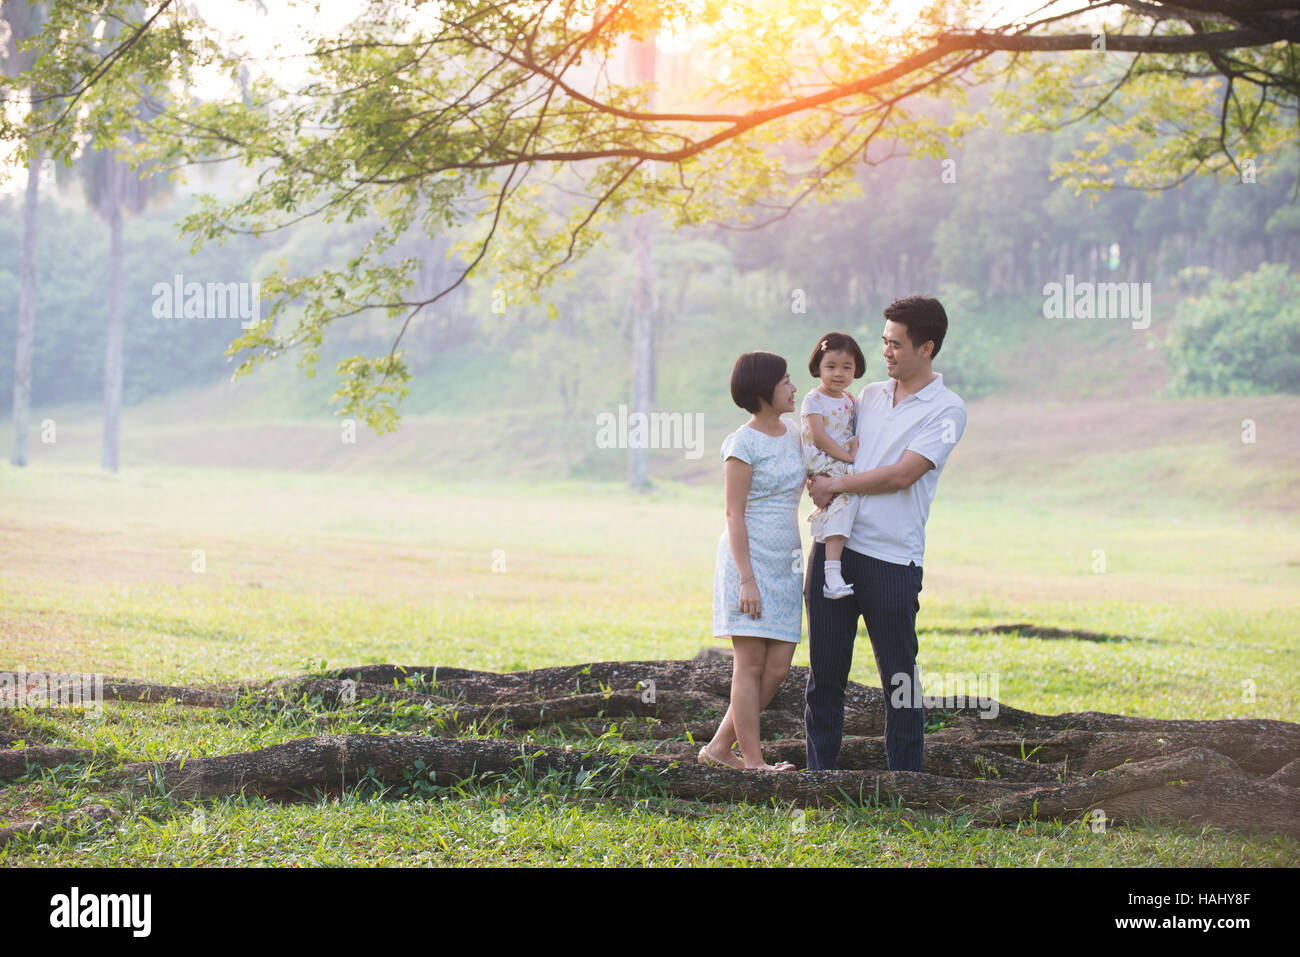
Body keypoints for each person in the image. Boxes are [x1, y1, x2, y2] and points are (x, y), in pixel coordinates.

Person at [804, 296, 967, 772]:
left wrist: (835, 485)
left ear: (927, 348)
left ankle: (906, 781)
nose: (887, 352)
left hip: (893, 560)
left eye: (896, 344)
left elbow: (902, 475)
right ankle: (819, 780)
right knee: (825, 675)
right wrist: (818, 480)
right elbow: (832, 443)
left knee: (900, 679)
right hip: (836, 549)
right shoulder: (869, 396)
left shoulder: (946, 409)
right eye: (884, 342)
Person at [701, 351, 805, 771]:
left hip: (787, 562)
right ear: (764, 389)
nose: (794, 387)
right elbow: (733, 513)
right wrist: (747, 580)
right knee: (751, 665)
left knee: (778, 667)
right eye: (786, 380)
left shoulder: (795, 433)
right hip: (749, 563)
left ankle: (718, 748)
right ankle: (754, 762)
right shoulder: (740, 443)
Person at [800, 332, 866, 600]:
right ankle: (831, 573)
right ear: (818, 367)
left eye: (847, 367)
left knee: (843, 504)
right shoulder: (814, 399)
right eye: (831, 367)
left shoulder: (850, 399)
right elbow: (819, 436)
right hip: (824, 459)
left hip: (839, 459)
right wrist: (847, 457)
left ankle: (832, 573)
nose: (838, 373)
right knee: (846, 498)